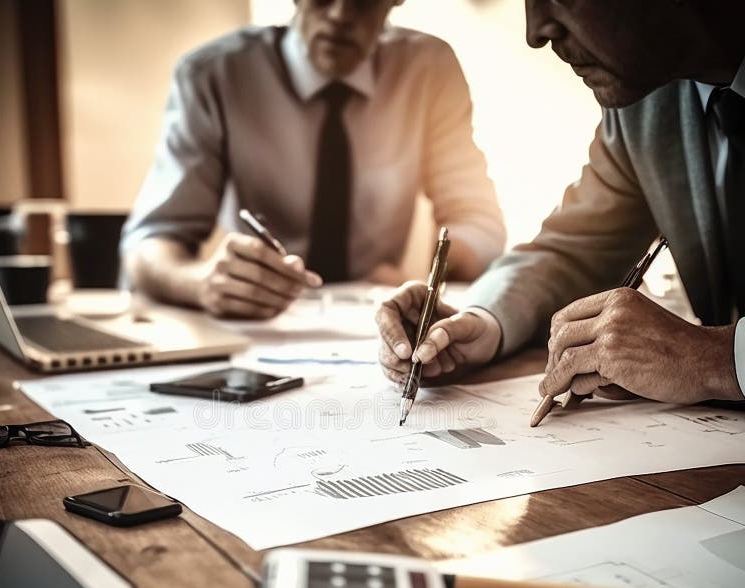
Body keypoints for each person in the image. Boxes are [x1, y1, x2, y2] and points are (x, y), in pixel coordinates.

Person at [377, 0, 745, 406]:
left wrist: (718, 359)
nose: (535, 33)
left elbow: (711, 357)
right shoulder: (649, 104)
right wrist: (483, 323)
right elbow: (572, 252)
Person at [121, 0, 506, 320]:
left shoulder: (429, 69)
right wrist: (201, 282)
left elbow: (479, 223)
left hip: (373, 322)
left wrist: (426, 278)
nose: (340, 14)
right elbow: (148, 244)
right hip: (253, 328)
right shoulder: (213, 75)